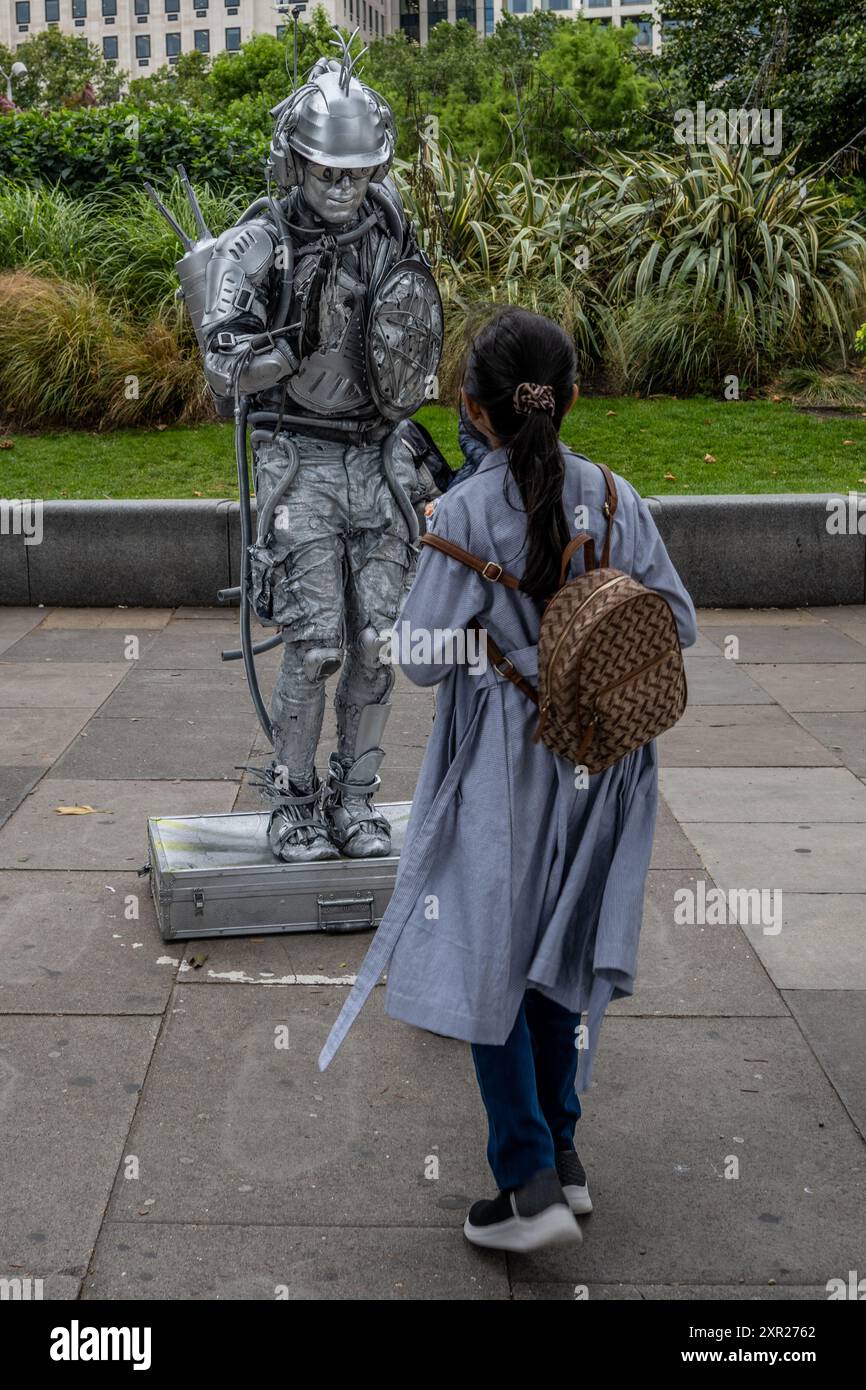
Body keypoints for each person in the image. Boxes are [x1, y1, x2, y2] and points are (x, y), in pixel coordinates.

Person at [318, 307, 697, 1253]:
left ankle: (529, 1184)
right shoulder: (616, 498)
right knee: (561, 953)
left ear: (471, 410)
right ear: (569, 400)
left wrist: (491, 634)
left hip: (502, 765)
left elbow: (414, 657)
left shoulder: (458, 514)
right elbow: (678, 624)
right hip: (605, 765)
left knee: (487, 955)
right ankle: (564, 1156)